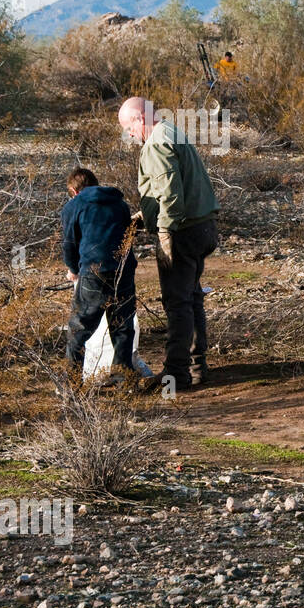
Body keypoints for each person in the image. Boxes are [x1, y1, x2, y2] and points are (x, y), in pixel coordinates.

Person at [117, 97, 220, 392]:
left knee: (177, 303)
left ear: (139, 119)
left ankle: (177, 373)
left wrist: (165, 235)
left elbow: (170, 194)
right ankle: (198, 366)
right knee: (192, 296)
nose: (129, 135)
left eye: (128, 128)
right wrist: (143, 217)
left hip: (183, 232)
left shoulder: (156, 143)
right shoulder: (172, 131)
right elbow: (172, 187)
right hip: (202, 227)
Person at [61, 168, 138, 378]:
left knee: (80, 328)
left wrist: (73, 270)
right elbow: (126, 236)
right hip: (123, 269)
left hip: (94, 271)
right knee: (122, 325)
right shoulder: (119, 203)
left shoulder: (74, 206)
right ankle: (123, 379)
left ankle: (73, 383)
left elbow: (70, 243)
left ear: (73, 190)